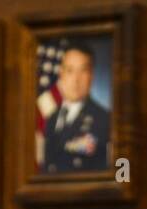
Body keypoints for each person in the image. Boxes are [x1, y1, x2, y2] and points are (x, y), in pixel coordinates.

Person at [40, 43, 111, 174]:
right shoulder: (52, 119)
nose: (76, 79)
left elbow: (123, 168)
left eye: (83, 71)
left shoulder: (106, 120)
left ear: (92, 75)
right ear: (61, 74)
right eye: (70, 71)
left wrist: (122, 186)